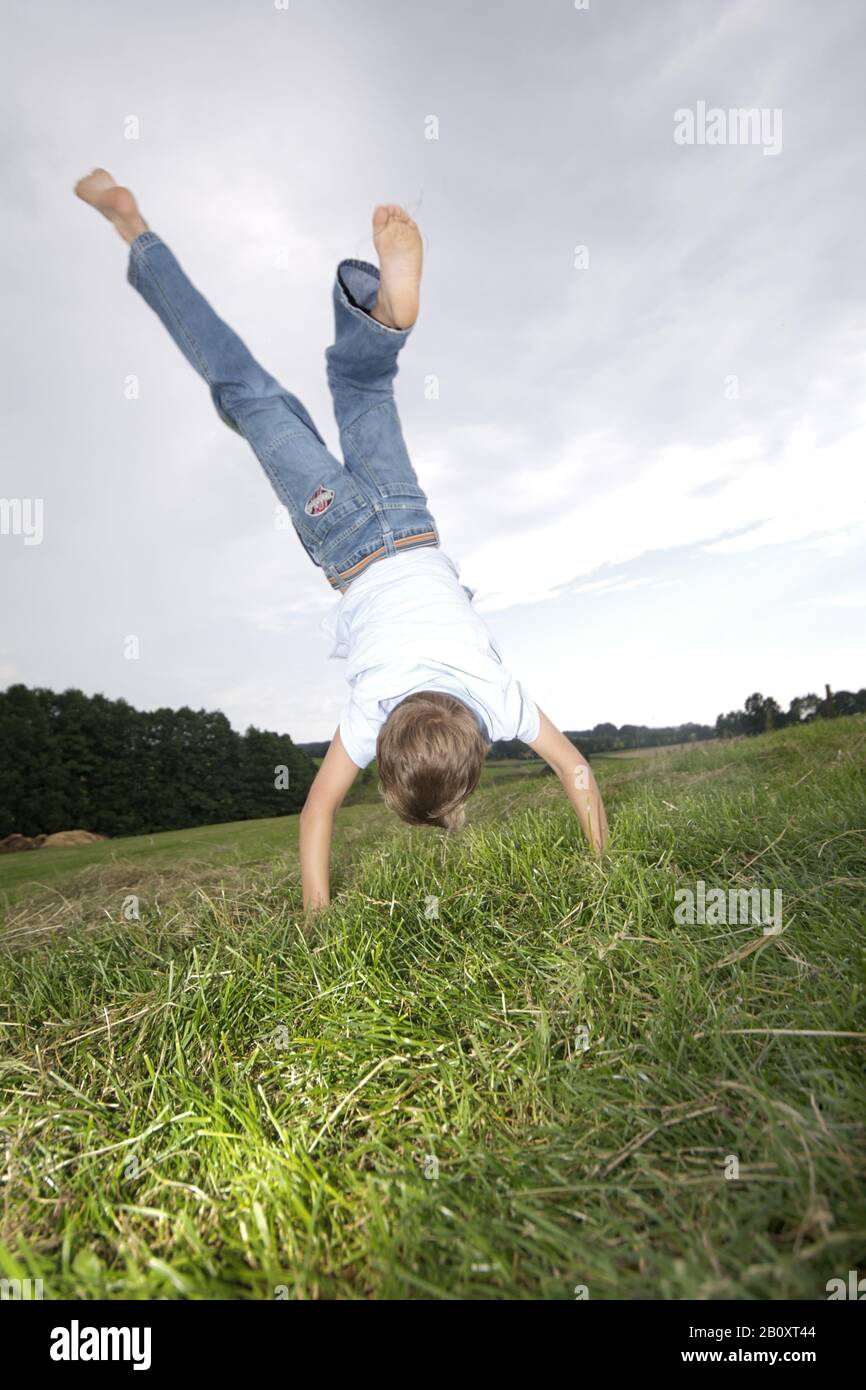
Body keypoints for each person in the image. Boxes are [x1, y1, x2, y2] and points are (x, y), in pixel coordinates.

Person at [74, 169, 609, 910]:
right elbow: (316, 812)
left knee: (363, 387)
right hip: (344, 535)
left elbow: (578, 773)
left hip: (410, 523)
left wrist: (602, 862)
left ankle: (385, 319)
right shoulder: (369, 716)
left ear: (477, 744)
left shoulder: (499, 702)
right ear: (387, 752)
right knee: (246, 392)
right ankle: (134, 228)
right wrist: (319, 923)